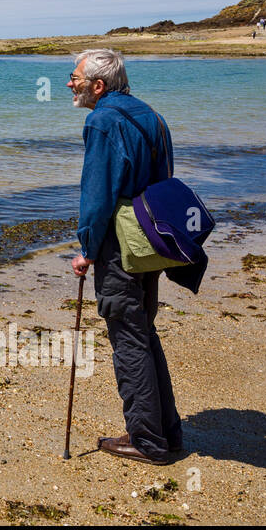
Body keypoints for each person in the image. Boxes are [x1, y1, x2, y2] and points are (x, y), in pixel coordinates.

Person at [68, 49, 181, 466]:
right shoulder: (152, 116)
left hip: (120, 245)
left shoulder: (102, 120)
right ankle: (167, 434)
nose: (70, 84)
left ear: (98, 85)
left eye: (75, 77)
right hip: (152, 239)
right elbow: (165, 181)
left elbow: (96, 196)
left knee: (128, 337)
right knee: (143, 332)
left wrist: (86, 249)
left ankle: (148, 441)